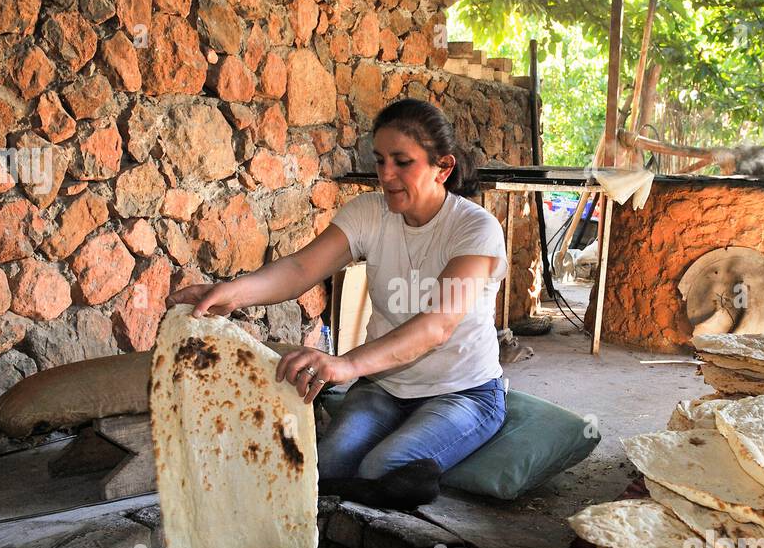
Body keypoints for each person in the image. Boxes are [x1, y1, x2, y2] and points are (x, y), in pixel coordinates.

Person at [167, 98, 508, 508]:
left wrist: (344, 364)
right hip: (384, 387)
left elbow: (438, 326)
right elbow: (298, 269)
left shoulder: (475, 228)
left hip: (464, 392)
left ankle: (392, 482)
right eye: (380, 161)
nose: (386, 175)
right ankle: (382, 490)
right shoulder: (369, 212)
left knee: (380, 466)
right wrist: (227, 293)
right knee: (326, 466)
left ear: (444, 167)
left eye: (403, 162)